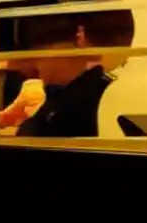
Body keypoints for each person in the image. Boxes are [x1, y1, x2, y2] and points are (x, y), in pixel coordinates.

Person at [14, 9, 136, 138]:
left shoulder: (82, 99)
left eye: (39, 54)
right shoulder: (107, 90)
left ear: (80, 36)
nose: (35, 66)